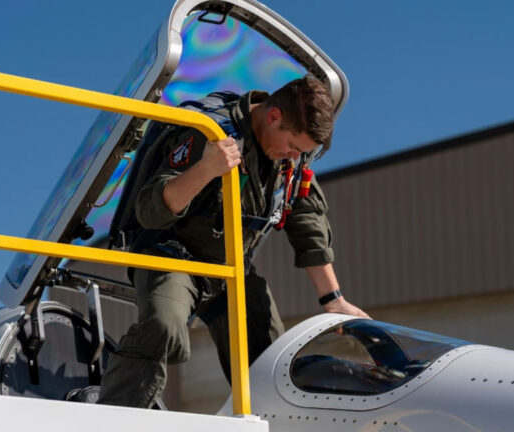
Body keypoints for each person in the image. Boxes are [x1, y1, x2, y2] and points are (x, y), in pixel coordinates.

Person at [96, 75, 369, 408]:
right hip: (172, 255)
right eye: (293, 147)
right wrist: (206, 169)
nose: (293, 157)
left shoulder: (289, 160)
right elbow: (149, 212)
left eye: (301, 153)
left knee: (272, 362)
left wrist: (333, 299)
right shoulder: (208, 133)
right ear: (273, 117)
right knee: (162, 326)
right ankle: (117, 418)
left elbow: (306, 219)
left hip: (230, 268)